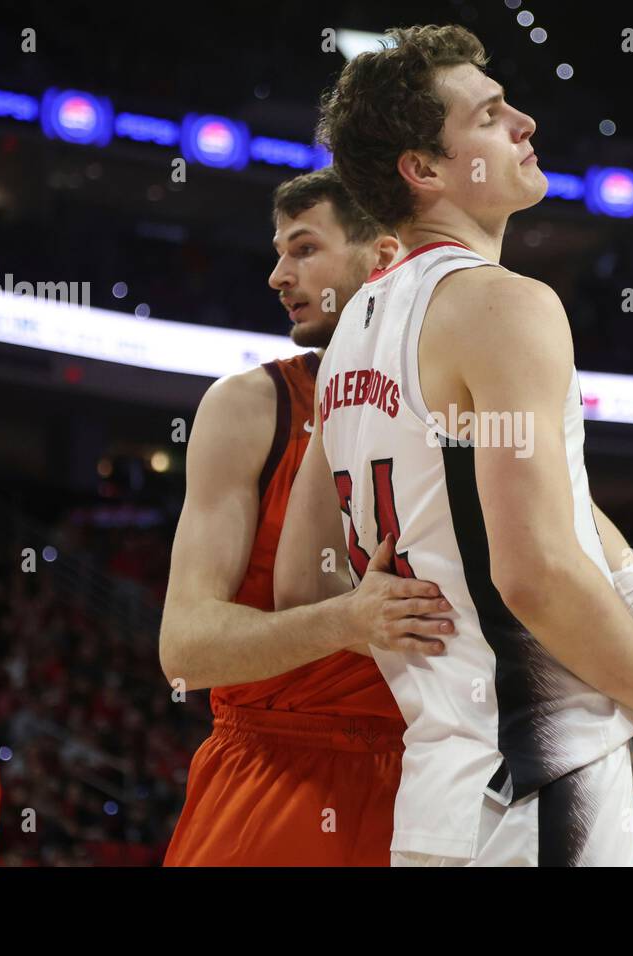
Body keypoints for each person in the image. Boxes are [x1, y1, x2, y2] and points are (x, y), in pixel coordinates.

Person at [276, 23, 633, 867]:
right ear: (424, 170)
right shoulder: (503, 305)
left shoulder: (351, 333)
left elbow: (612, 575)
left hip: (436, 804)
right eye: (492, 115)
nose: (526, 122)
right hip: (543, 782)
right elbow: (537, 570)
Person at [161, 168, 450, 866]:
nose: (277, 275)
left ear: (380, 255)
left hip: (431, 784)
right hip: (275, 775)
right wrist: (345, 623)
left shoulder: (459, 400)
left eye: (303, 249)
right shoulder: (251, 405)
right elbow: (186, 650)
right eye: (280, 251)